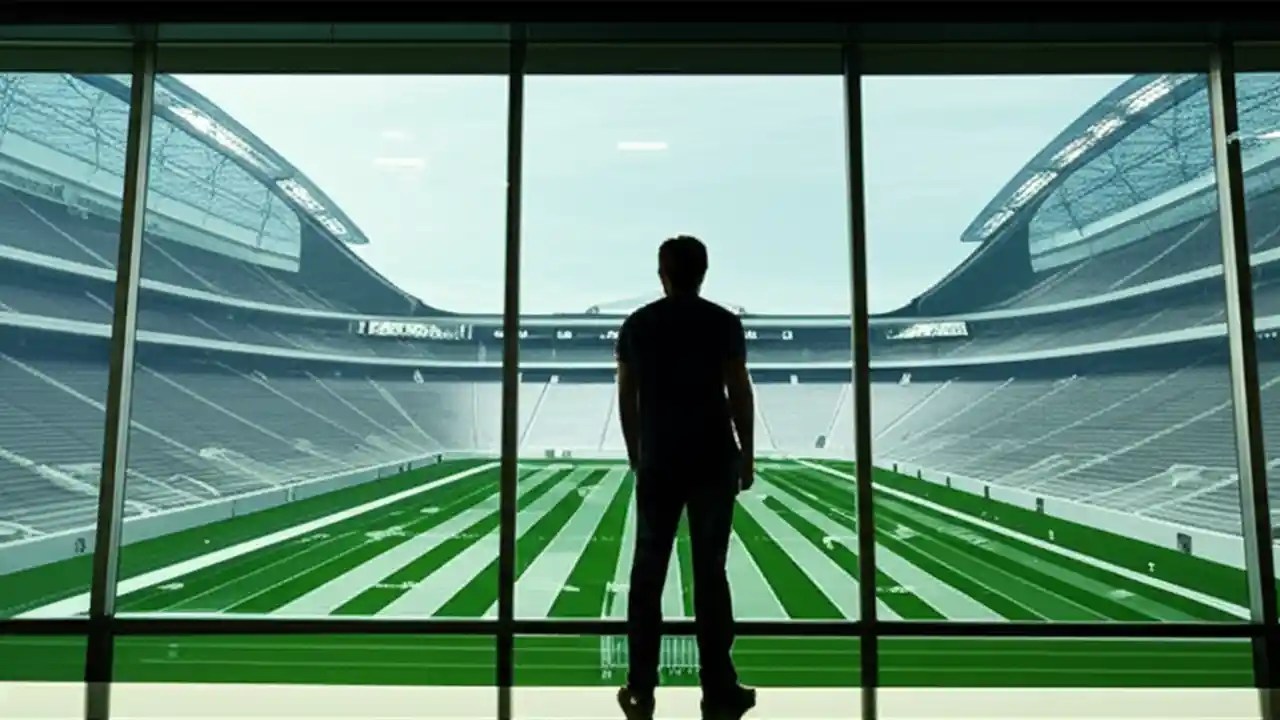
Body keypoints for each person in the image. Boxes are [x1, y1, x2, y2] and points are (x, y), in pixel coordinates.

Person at [614, 235, 758, 720]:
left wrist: (638, 455)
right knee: (711, 575)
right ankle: (719, 687)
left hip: (660, 461)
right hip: (713, 459)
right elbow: (739, 390)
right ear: (703, 273)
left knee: (647, 576)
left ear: (663, 274)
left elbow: (626, 397)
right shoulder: (722, 323)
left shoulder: (638, 325)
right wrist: (748, 456)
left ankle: (640, 688)